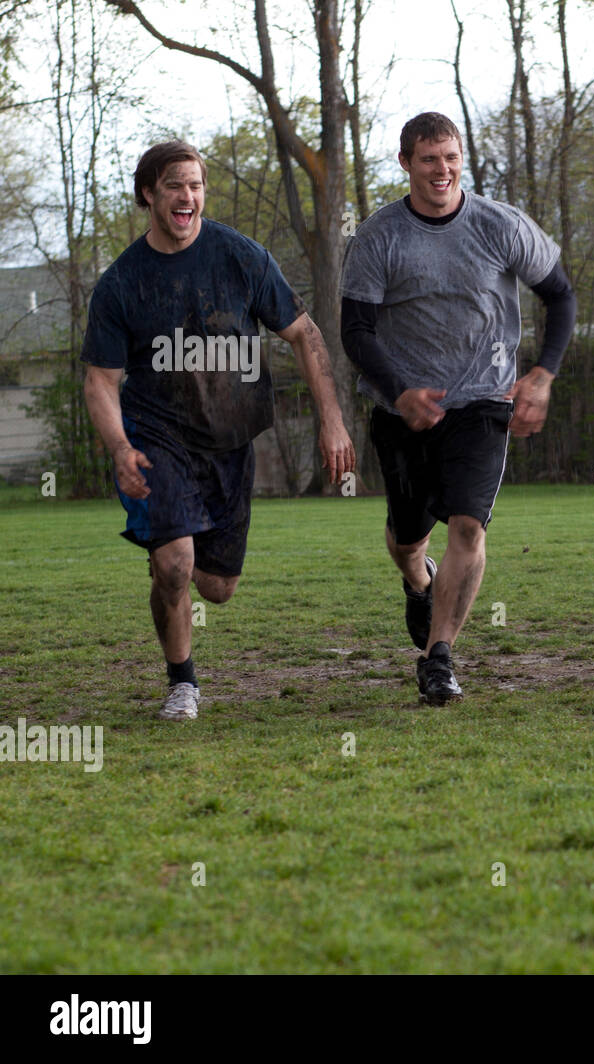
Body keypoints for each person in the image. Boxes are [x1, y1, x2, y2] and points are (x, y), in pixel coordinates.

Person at [83, 140, 356, 720]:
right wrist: (120, 447)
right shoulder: (121, 284)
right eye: (176, 185)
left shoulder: (242, 258)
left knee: (216, 587)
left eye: (196, 185)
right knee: (176, 563)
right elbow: (101, 381)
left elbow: (305, 335)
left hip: (230, 441)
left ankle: (167, 567)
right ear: (148, 194)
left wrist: (332, 421)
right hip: (157, 438)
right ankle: (183, 682)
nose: (188, 196)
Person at [340, 112, 576, 705]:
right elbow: (356, 330)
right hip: (404, 411)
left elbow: (559, 293)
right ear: (405, 164)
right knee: (406, 538)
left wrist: (542, 376)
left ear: (461, 157)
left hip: (482, 401)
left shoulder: (502, 225)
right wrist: (398, 391)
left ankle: (438, 657)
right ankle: (418, 584)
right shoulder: (378, 236)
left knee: (469, 525)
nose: (441, 169)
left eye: (450, 157)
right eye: (427, 159)